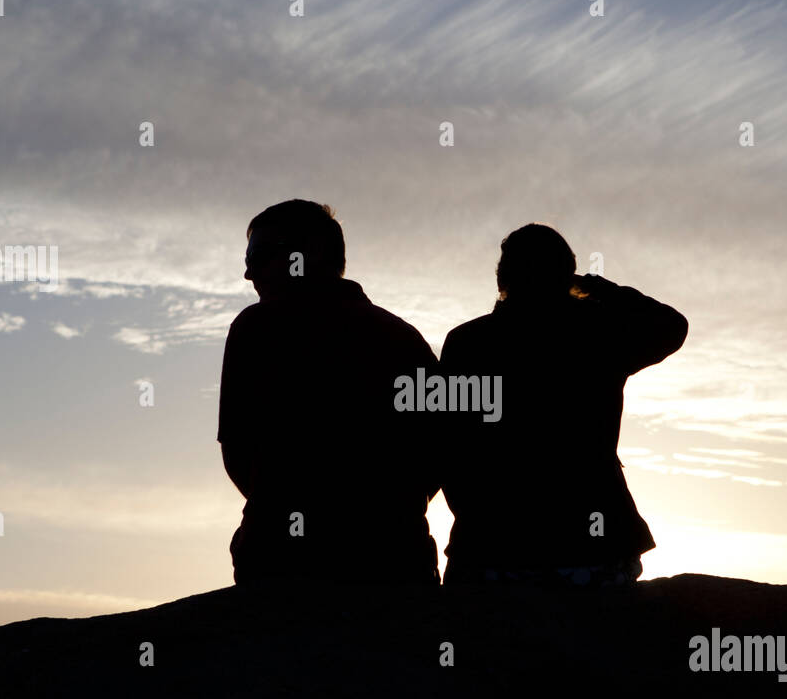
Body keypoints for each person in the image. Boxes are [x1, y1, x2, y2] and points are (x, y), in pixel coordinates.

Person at [439, 223, 688, 587]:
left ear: (503, 279)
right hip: (589, 549)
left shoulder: (469, 341)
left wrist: (477, 516)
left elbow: (447, 446)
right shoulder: (599, 331)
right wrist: (596, 286)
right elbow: (671, 325)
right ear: (567, 273)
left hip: (492, 547)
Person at [217, 200, 440, 585]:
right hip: (395, 560)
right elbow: (439, 453)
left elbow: (237, 451)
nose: (248, 272)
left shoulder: (257, 329)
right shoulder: (403, 337)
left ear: (310, 254)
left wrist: (280, 505)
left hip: (281, 562)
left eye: (261, 255)